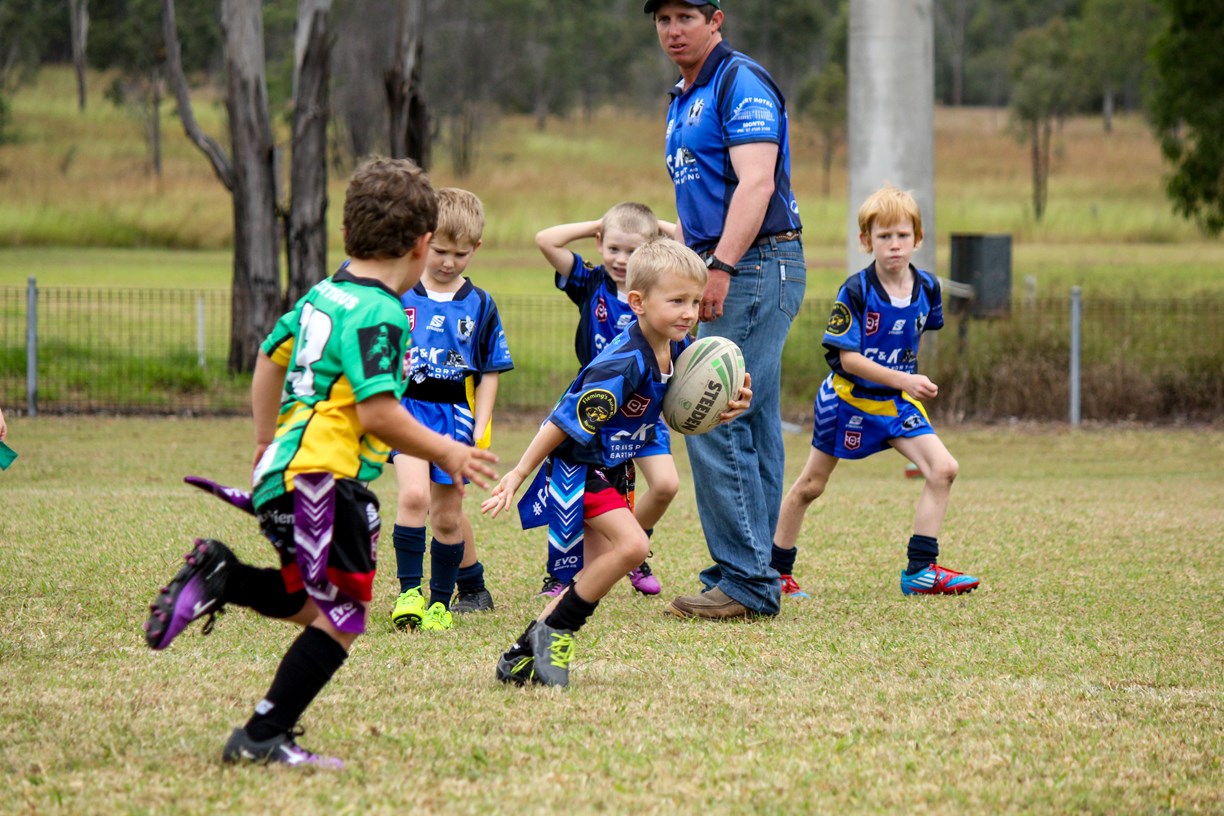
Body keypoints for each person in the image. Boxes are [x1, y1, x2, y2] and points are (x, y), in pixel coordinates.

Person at [141, 157, 498, 767]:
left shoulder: (322, 295)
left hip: (283, 473)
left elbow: (268, 356)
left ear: (346, 235)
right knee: (341, 615)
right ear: (420, 246)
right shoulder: (381, 313)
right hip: (326, 480)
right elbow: (380, 413)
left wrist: (263, 438)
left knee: (311, 599)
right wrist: (448, 450)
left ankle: (223, 576)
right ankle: (262, 735)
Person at [481, 238, 752, 687]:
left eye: (694, 301)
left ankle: (520, 655)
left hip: (612, 467)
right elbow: (562, 421)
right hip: (579, 469)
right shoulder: (623, 364)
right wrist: (518, 473)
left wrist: (734, 400)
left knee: (593, 573)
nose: (689, 312)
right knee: (632, 547)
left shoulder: (678, 349)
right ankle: (557, 637)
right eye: (677, 301)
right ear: (638, 303)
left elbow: (701, 395)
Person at [646, 0, 806, 619]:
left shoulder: (740, 81)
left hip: (754, 264)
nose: (672, 30)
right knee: (753, 419)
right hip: (725, 264)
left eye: (685, 16)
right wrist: (689, 267)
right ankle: (752, 569)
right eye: (662, 20)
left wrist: (720, 268)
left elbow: (757, 184)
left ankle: (745, 581)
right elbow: (695, 198)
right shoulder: (682, 96)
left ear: (716, 19)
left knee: (711, 412)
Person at [775, 184, 979, 598]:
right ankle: (775, 571)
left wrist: (905, 381)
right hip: (847, 401)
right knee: (811, 486)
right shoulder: (856, 290)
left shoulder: (928, 289)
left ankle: (920, 571)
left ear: (917, 239)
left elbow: (914, 338)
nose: (894, 245)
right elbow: (847, 359)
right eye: (883, 237)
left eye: (902, 236)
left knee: (944, 469)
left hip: (894, 403)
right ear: (866, 240)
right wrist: (904, 379)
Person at [533, 202, 677, 599]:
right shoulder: (591, 282)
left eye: (633, 251)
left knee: (664, 486)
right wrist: (602, 223)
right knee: (576, 489)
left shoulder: (659, 292)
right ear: (599, 244)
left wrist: (654, 230)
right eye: (613, 248)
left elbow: (685, 240)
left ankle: (632, 549)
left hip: (644, 412)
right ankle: (562, 574)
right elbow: (546, 240)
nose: (621, 259)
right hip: (597, 409)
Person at [389, 188, 513, 632]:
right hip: (407, 414)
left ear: (475, 249)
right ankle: (408, 594)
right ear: (423, 241)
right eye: (440, 251)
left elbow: (491, 371)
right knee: (413, 497)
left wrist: (481, 426)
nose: (448, 262)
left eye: (460, 254)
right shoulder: (400, 293)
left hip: (455, 418)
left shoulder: (480, 305)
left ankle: (440, 602)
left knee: (446, 515)